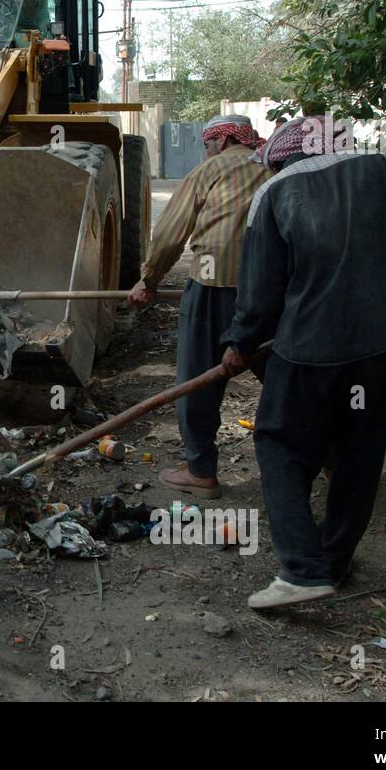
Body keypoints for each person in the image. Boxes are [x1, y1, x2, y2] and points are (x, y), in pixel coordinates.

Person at [219, 116, 386, 610]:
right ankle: (334, 560)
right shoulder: (383, 168)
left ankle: (303, 571)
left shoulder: (277, 191)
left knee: (280, 443)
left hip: (312, 344)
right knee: (359, 452)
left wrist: (240, 341)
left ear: (282, 156)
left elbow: (261, 291)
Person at [125, 114, 270, 499]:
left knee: (197, 380)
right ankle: (326, 457)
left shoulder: (210, 170)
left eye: (207, 144)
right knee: (286, 380)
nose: (206, 152)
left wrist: (148, 280)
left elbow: (172, 232)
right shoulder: (274, 164)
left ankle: (201, 471)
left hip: (214, 286)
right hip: (271, 292)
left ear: (221, 141)